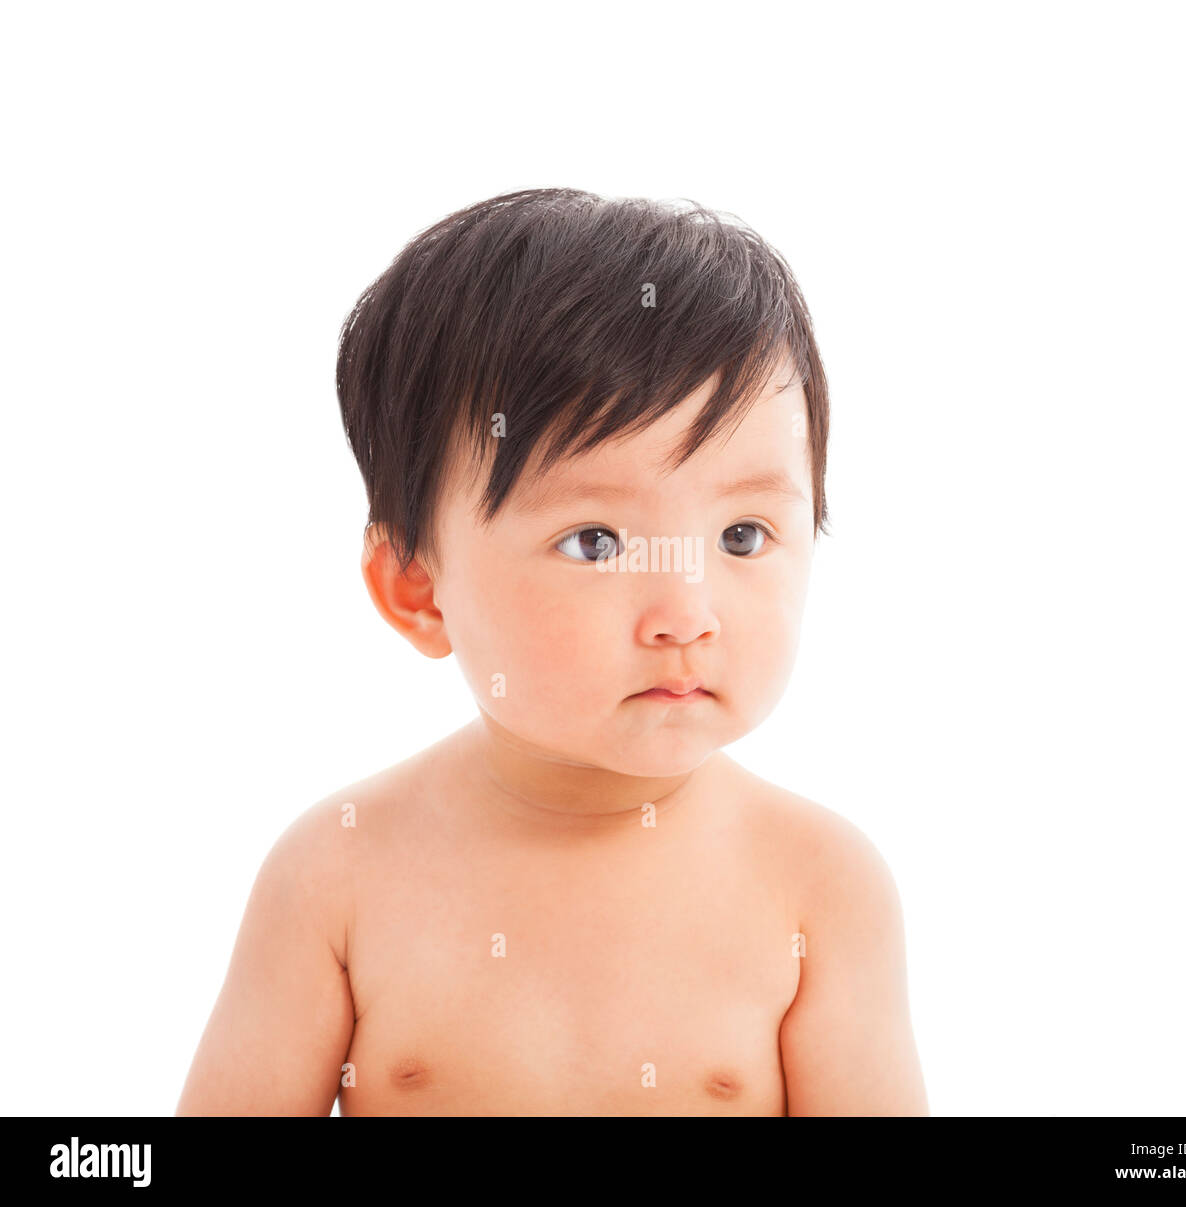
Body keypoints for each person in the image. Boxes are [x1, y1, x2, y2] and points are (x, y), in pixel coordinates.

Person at [177, 187, 928, 1116]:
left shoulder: (820, 889)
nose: (685, 614)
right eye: (596, 542)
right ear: (417, 586)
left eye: (740, 536)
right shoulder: (337, 874)